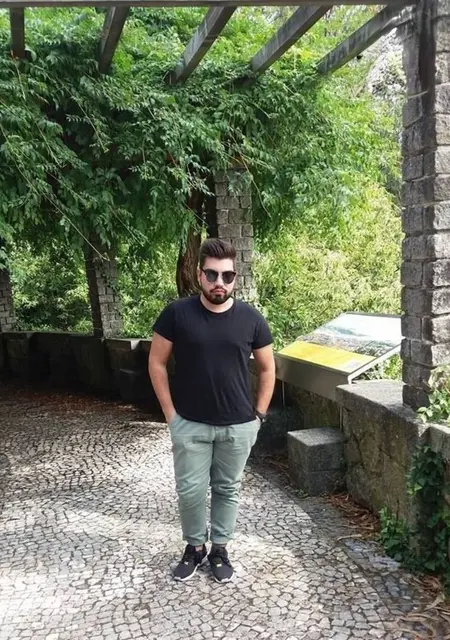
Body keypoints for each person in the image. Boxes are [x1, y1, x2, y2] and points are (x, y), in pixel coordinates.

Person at [149, 238, 276, 583]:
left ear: (235, 277)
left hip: (238, 425)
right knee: (190, 491)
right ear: (199, 274)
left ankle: (220, 549)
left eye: (227, 276)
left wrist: (259, 417)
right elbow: (156, 363)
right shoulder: (177, 314)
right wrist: (170, 415)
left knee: (227, 489)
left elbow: (268, 368)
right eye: (212, 274)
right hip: (189, 423)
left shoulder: (251, 318)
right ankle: (195, 547)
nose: (220, 282)